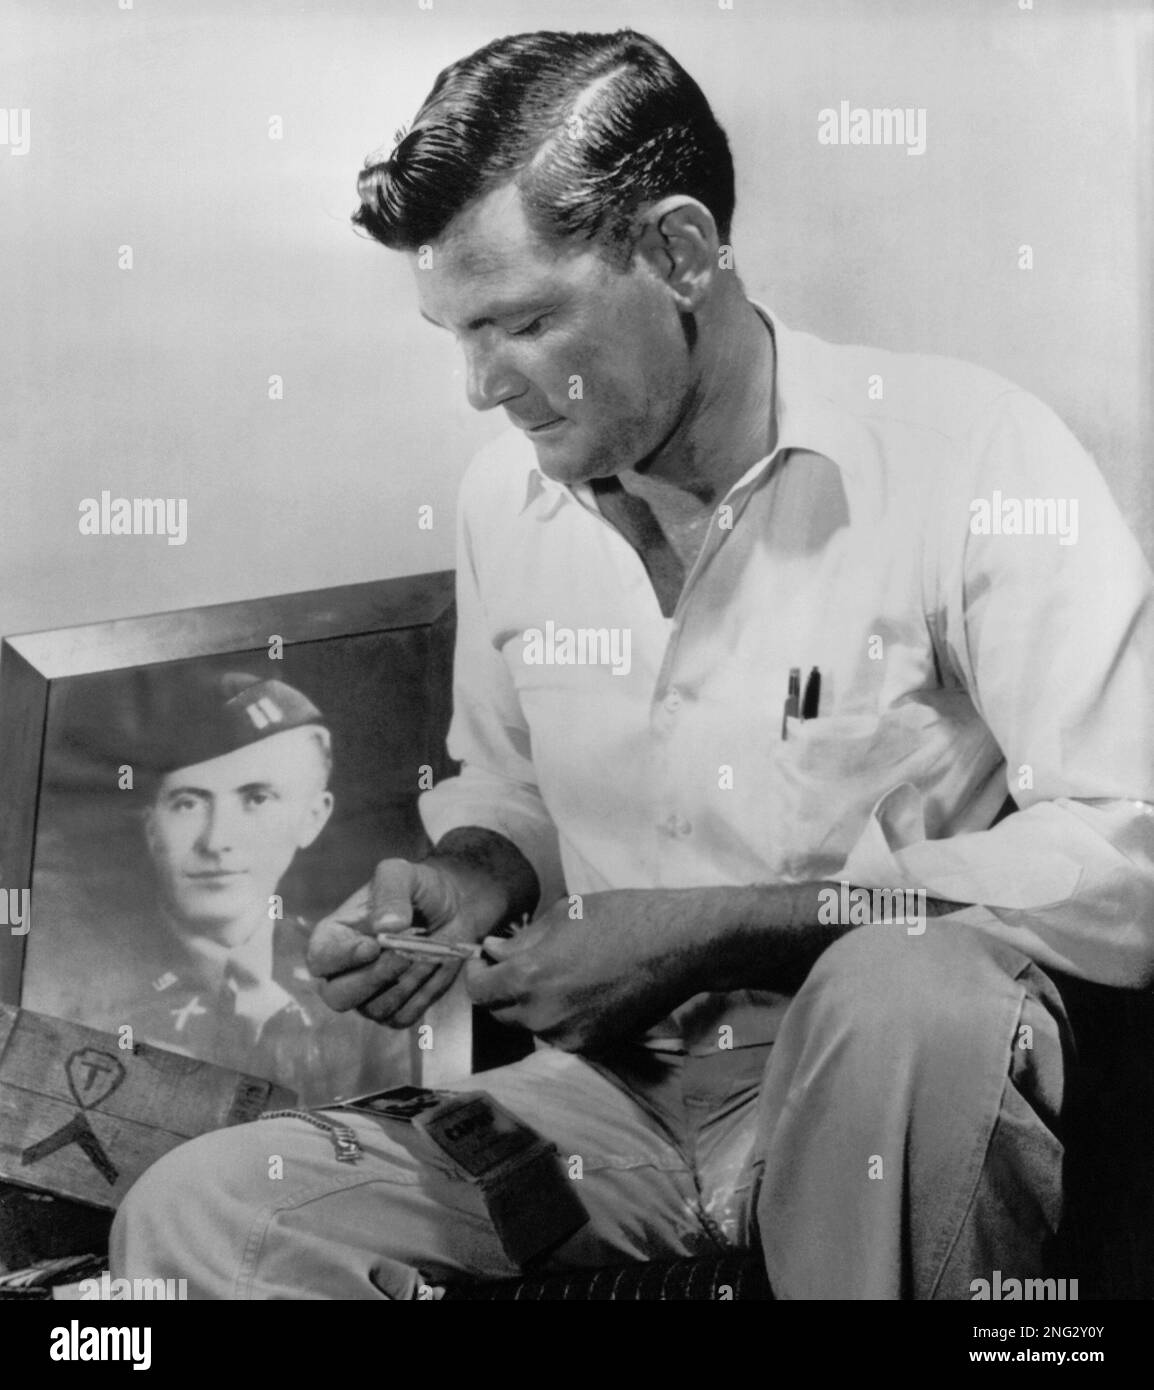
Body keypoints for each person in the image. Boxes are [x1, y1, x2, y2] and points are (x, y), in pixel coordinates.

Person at [111, 28, 1154, 1299]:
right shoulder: (507, 498)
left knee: (908, 993)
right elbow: (516, 794)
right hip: (613, 1105)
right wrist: (470, 875)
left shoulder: (971, 454)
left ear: (677, 250)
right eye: (455, 332)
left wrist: (720, 928)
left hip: (879, 1083)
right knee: (209, 1213)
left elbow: (1127, 849)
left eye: (524, 322)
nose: (481, 386)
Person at [33, 670, 409, 1107]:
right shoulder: (75, 987)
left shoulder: (357, 982)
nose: (216, 842)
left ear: (313, 817)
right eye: (188, 803)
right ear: (151, 824)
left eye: (256, 799)